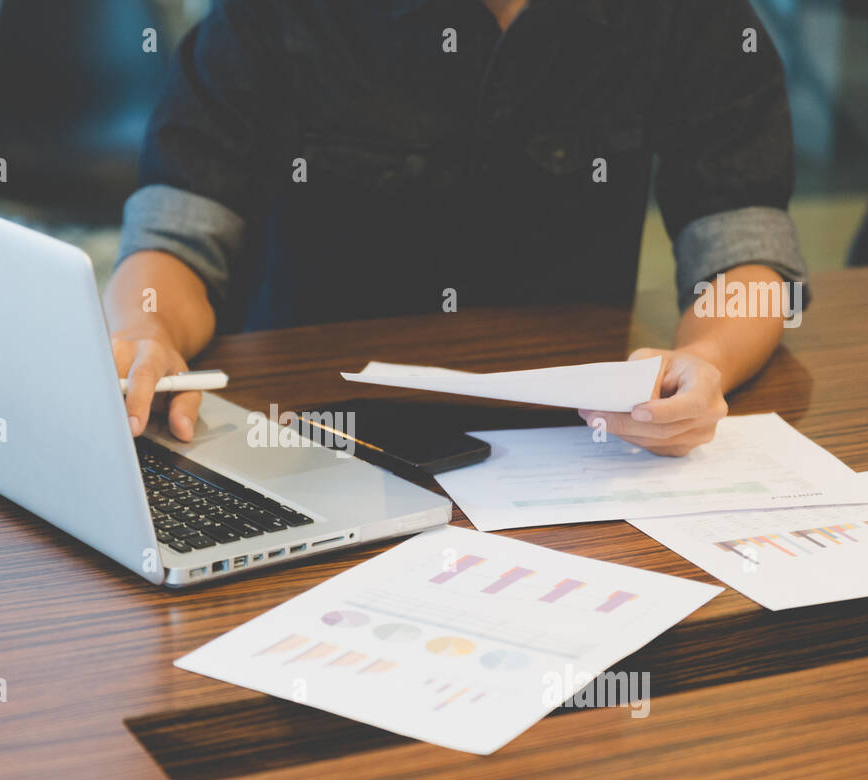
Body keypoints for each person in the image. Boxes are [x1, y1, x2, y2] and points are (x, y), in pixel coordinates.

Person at [105, 0, 809, 456]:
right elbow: (176, 236)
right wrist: (149, 336)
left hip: (575, 449)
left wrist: (708, 358)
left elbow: (742, 247)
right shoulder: (278, 16)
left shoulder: (685, 18)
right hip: (304, 438)